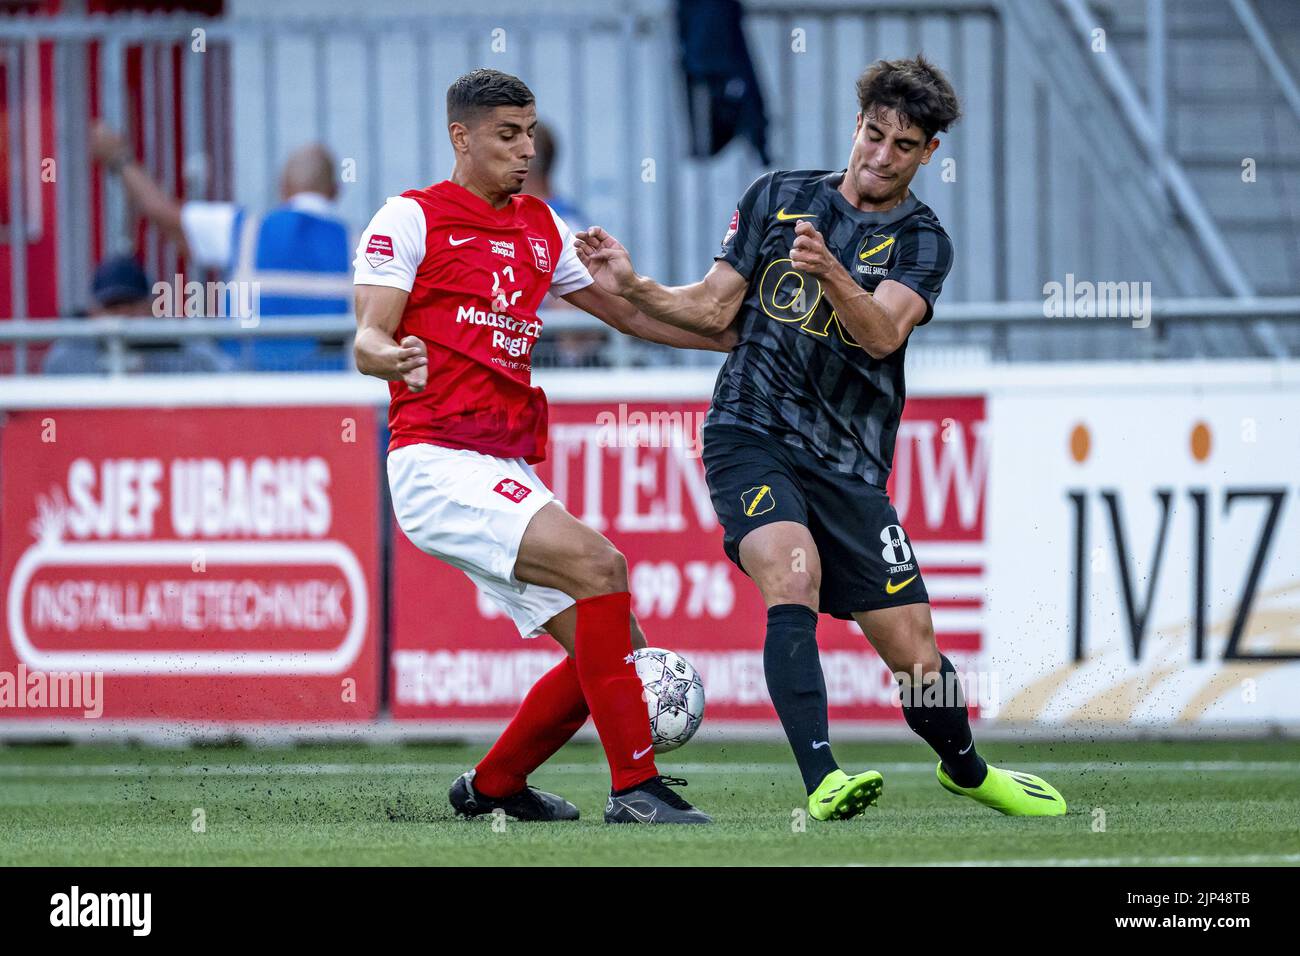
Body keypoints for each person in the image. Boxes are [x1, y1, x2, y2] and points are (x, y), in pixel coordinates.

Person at [576, 55, 1068, 821]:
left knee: (917, 656)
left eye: (903, 147)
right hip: (752, 434)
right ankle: (823, 777)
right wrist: (636, 288)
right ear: (857, 123)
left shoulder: (922, 241)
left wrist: (834, 273)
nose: (879, 156)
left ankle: (967, 769)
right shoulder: (778, 197)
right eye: (873, 134)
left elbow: (880, 336)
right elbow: (712, 311)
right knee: (791, 572)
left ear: (929, 154)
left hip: (849, 465)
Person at [351, 69, 734, 825]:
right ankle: (635, 792)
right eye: (507, 135)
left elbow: (628, 315)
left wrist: (730, 338)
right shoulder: (409, 217)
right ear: (461, 137)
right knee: (603, 565)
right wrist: (384, 355)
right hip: (434, 458)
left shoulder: (542, 227)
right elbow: (368, 331)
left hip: (500, 463)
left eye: (529, 132)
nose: (525, 149)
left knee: (615, 638)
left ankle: (493, 786)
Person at [90, 126, 351, 371]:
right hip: (335, 399)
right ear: (336, 191)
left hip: (253, 397)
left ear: (282, 187)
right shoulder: (358, 243)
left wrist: (118, 159)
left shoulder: (242, 229)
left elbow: (161, 213)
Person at [42, 255, 228, 375]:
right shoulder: (69, 355)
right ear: (93, 312)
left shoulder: (181, 349)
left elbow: (226, 374)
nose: (123, 316)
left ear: (150, 307)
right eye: (113, 307)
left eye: (131, 305)